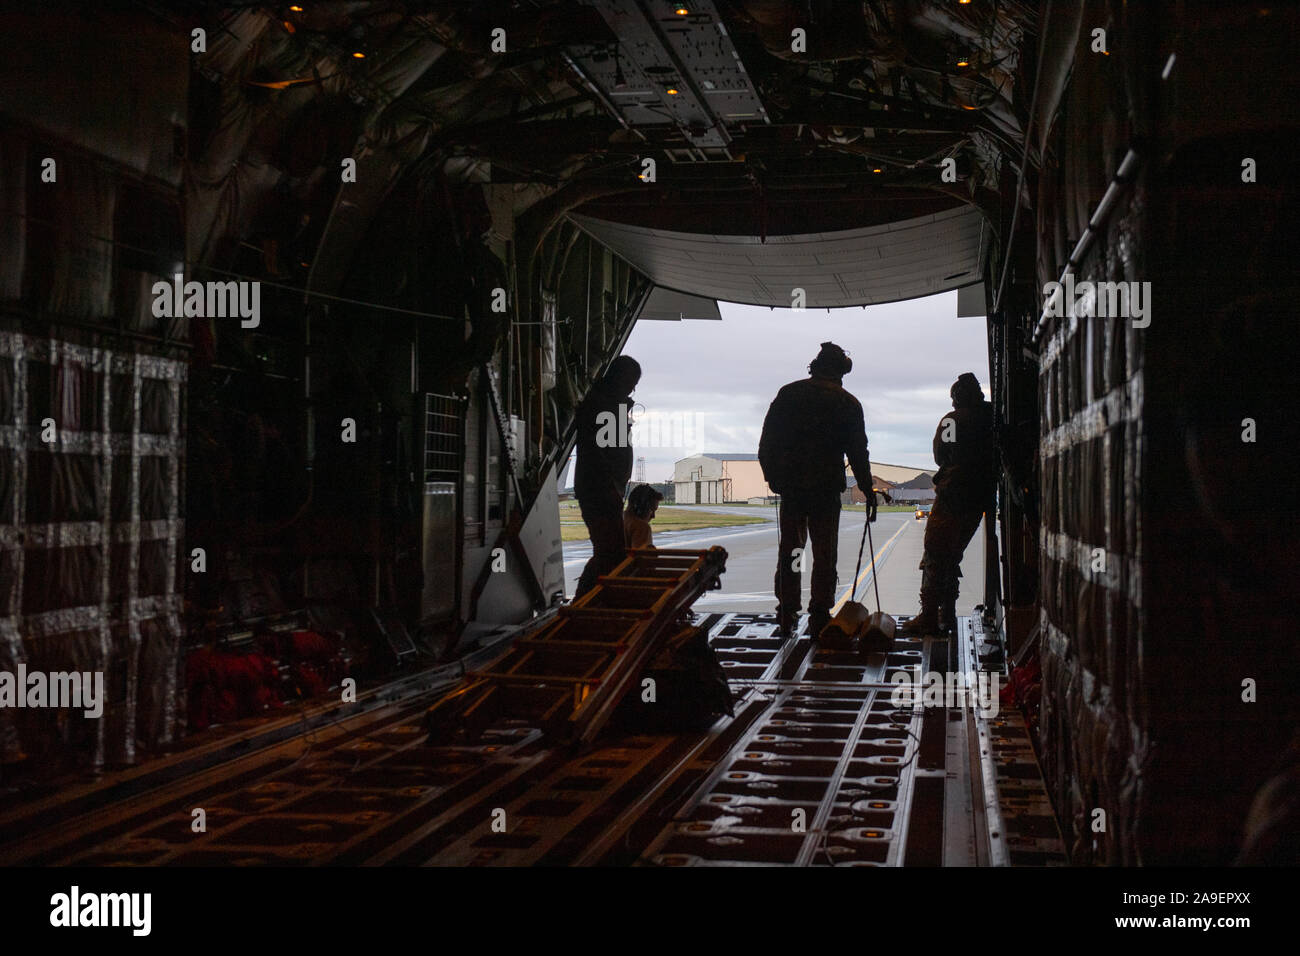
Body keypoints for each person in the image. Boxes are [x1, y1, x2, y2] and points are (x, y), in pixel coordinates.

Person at [758, 342, 872, 639]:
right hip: (824, 490)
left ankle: (787, 610)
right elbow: (858, 452)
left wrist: (774, 478)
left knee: (793, 549)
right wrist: (868, 490)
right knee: (824, 553)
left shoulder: (789, 394)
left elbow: (767, 441)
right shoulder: (847, 403)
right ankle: (819, 613)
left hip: (793, 489)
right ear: (839, 372)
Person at [902, 372, 996, 634]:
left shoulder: (953, 421)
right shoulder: (991, 418)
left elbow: (940, 456)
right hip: (979, 498)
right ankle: (948, 615)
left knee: (935, 553)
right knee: (952, 556)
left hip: (953, 495)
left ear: (957, 397)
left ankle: (930, 617)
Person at [574, 355, 641, 596]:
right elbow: (599, 454)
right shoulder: (605, 406)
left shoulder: (606, 404)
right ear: (620, 378)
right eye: (632, 381)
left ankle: (587, 603)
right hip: (602, 490)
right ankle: (585, 603)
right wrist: (611, 486)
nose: (632, 388)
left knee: (609, 551)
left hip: (604, 488)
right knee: (609, 552)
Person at [624, 484, 663, 550]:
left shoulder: (617, 520)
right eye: (651, 510)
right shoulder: (641, 527)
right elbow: (641, 558)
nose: (653, 516)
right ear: (641, 508)